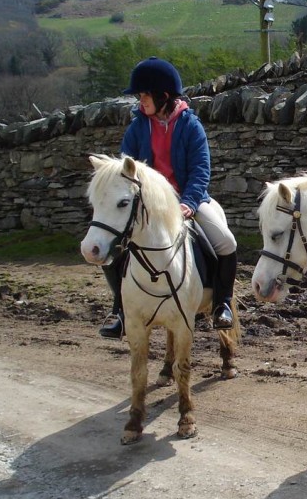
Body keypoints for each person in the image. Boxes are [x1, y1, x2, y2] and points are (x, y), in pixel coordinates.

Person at [98, 56, 238, 338]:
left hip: (189, 201)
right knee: (111, 247)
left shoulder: (190, 126)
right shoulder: (137, 128)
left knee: (227, 242)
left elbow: (201, 170)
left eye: (144, 94)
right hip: (148, 208)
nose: (141, 100)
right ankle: (120, 310)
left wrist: (189, 202)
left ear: (163, 96)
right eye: (139, 95)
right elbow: (126, 170)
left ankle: (222, 304)